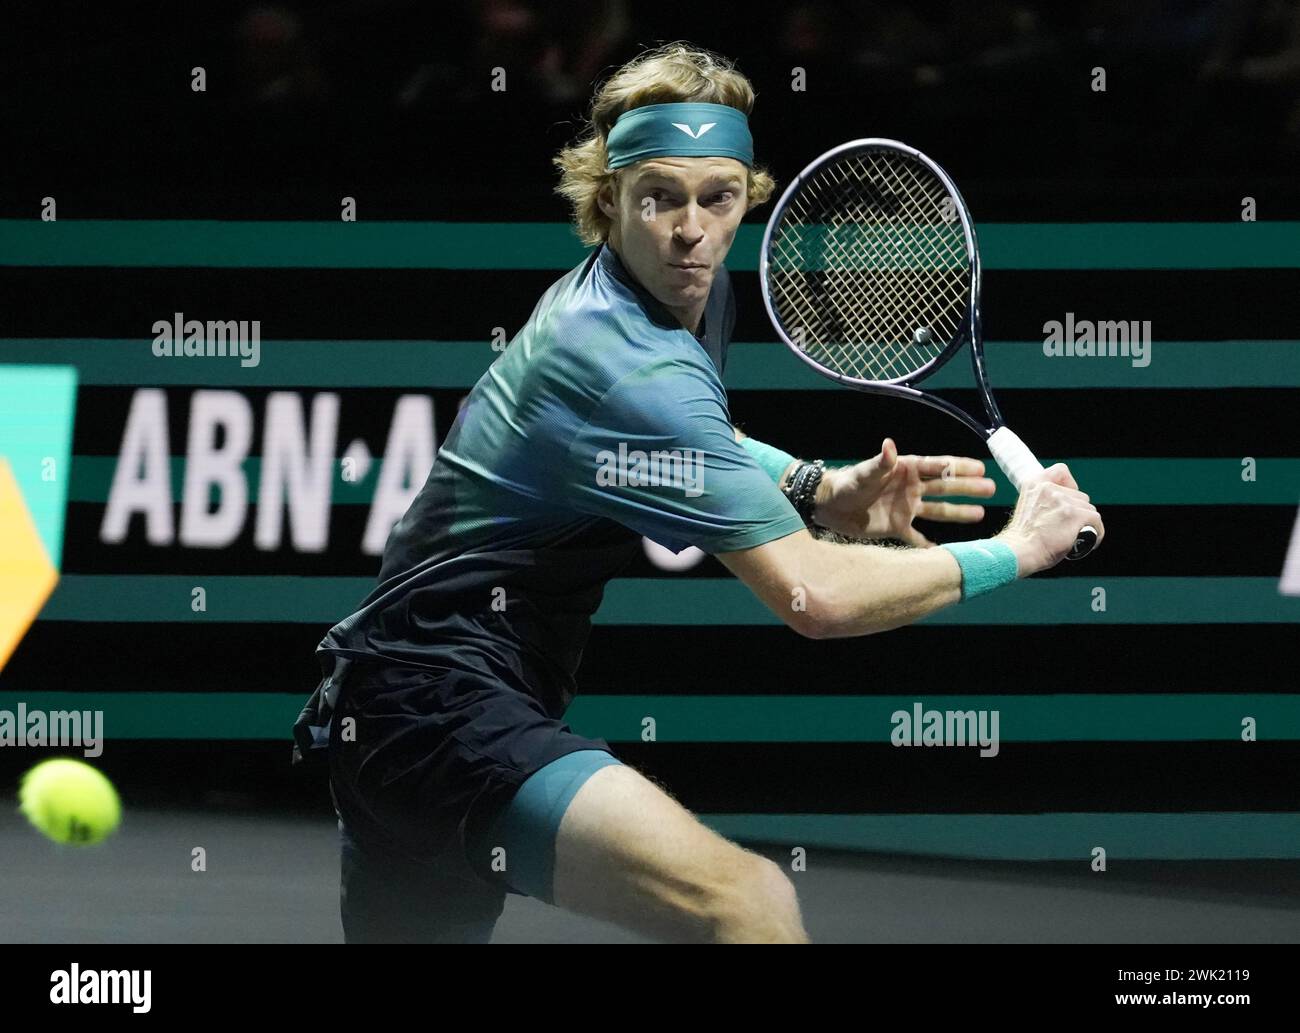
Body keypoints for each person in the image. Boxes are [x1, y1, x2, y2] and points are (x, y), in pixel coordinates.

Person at [292, 41, 1104, 944]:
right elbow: (815, 597)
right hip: (439, 708)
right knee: (746, 901)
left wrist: (819, 488)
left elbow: (692, 448)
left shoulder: (672, 294)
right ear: (608, 200)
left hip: (401, 709)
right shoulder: (619, 358)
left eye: (718, 197)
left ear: (745, 196)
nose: (692, 230)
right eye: (659, 197)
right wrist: (1015, 550)